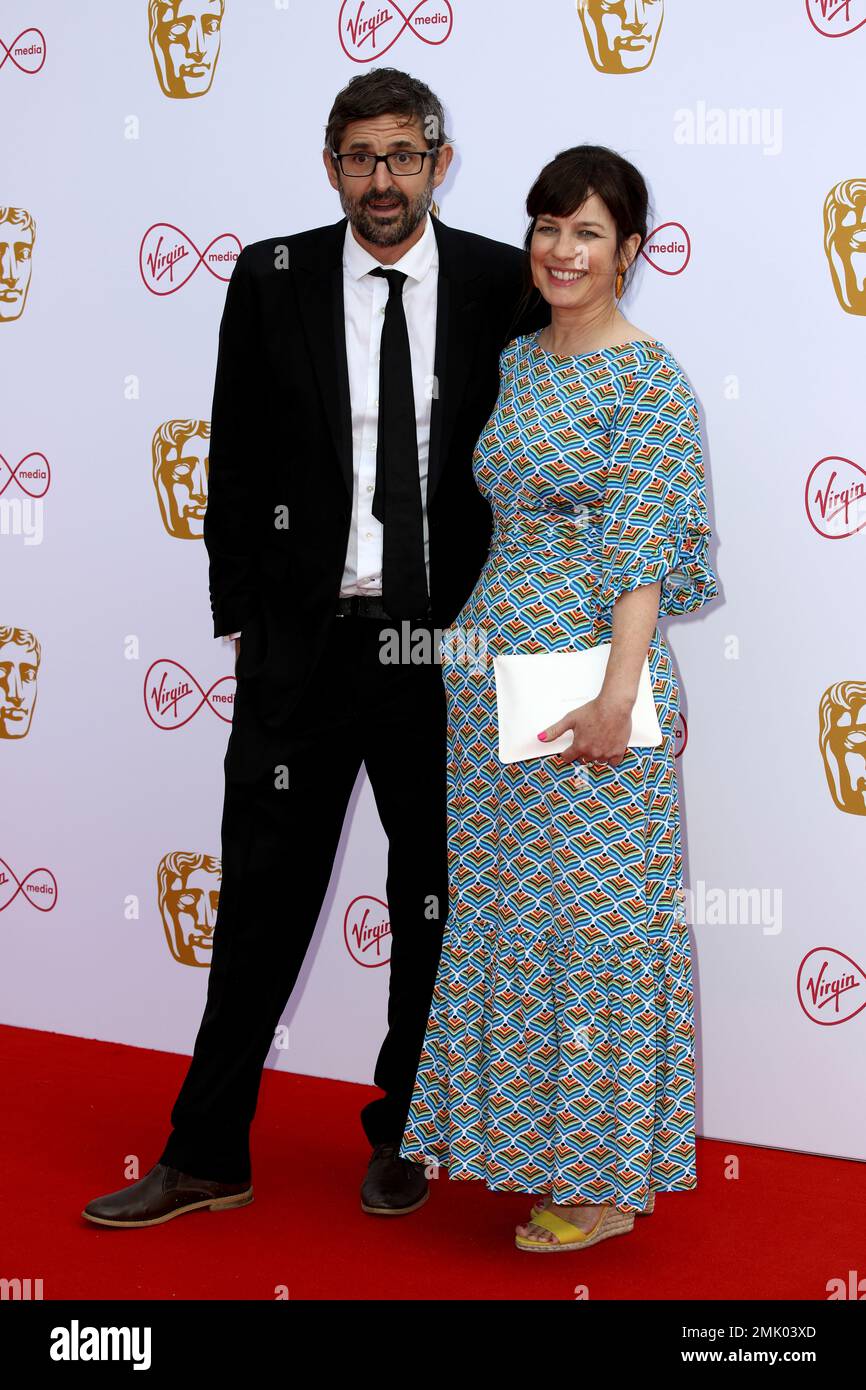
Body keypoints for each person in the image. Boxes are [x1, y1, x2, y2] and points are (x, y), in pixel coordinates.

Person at [81, 67, 548, 1228]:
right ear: (330, 165)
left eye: (401, 155)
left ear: (438, 161)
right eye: (358, 157)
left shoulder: (501, 280)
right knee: (258, 906)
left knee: (432, 897)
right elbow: (230, 457)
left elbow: (541, 463)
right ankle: (205, 1153)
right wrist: (250, 619)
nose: (380, 180)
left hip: (441, 653)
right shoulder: (271, 274)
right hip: (305, 648)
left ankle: (404, 1134)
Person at [399, 144, 720, 1252]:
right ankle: (535, 1148)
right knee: (511, 925)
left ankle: (603, 1183)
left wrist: (615, 699)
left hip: (590, 689)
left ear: (628, 252)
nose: (558, 249)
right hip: (492, 688)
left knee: (594, 933)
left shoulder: (649, 379)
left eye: (586, 232)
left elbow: (640, 556)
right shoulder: (522, 360)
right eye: (546, 226)